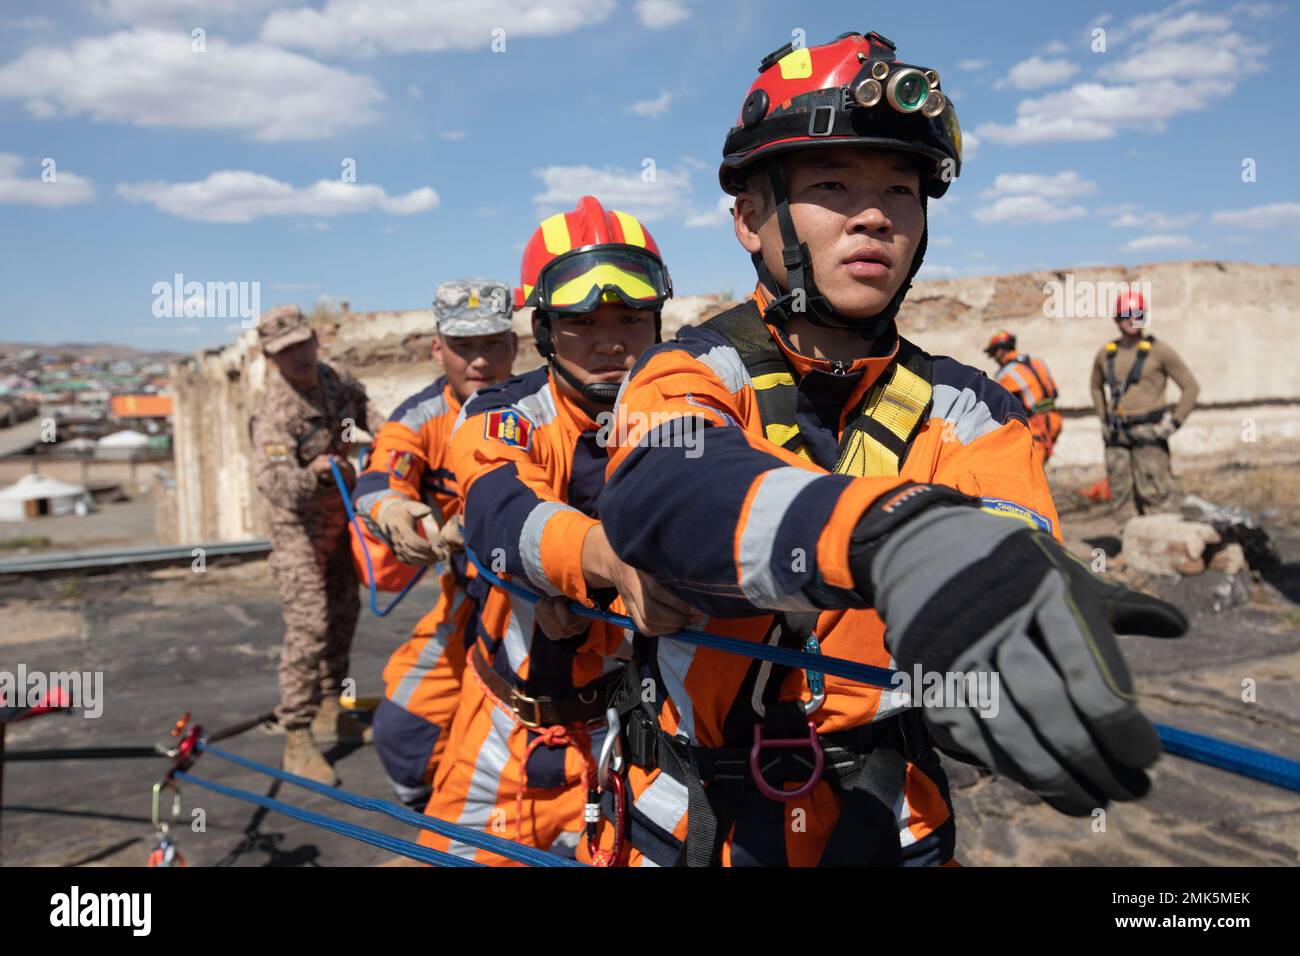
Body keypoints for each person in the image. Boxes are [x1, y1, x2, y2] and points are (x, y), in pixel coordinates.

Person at [594, 30, 1187, 867]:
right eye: (833, 184)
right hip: (699, 824)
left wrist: (997, 658)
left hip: (890, 819)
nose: (874, 214)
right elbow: (663, 487)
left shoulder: (973, 409)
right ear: (749, 218)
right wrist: (898, 536)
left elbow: (1010, 550)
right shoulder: (691, 371)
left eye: (902, 191)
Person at [418, 197, 696, 864]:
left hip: (645, 739)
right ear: (542, 328)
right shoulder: (504, 414)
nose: (611, 340)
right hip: (508, 741)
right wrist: (603, 559)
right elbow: (499, 513)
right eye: (581, 321)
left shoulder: (695, 416)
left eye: (631, 318)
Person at [351, 280, 519, 808]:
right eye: (463, 346)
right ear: (436, 348)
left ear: (515, 344)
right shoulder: (419, 418)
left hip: (549, 605)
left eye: (493, 343)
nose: (480, 361)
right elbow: (381, 479)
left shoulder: (543, 402)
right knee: (403, 731)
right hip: (467, 596)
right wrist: (396, 513)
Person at [250, 304, 384, 786]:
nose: (299, 356)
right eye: (286, 351)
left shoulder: (334, 378)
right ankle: (297, 734)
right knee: (309, 627)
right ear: (271, 358)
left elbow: (365, 406)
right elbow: (276, 485)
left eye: (303, 344)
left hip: (340, 521)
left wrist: (392, 440)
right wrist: (314, 475)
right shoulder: (275, 412)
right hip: (298, 532)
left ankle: (332, 708)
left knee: (344, 614)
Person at [1091, 290, 1200, 517]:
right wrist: (1103, 418)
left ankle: (1163, 544)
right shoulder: (1106, 354)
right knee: (1121, 493)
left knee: (1155, 492)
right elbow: (1095, 386)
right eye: (1126, 314)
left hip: (1149, 432)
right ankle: (1130, 543)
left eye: (1137, 314)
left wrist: (1174, 422)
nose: (1132, 319)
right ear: (1117, 318)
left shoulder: (1160, 351)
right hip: (1117, 433)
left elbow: (1190, 387)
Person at [984, 330, 1062, 461]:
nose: (993, 359)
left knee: (1033, 473)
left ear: (1000, 351)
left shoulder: (1005, 374)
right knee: (1037, 469)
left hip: (1037, 426)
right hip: (1054, 420)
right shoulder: (1038, 362)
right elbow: (1054, 392)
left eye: (993, 354)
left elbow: (999, 408)